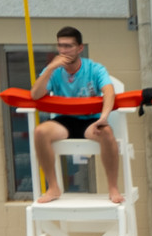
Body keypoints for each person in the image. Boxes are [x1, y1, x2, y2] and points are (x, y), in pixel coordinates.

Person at [25, 27, 125, 203]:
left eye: (68, 46)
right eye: (60, 46)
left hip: (90, 120)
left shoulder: (94, 68)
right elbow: (35, 95)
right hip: (64, 121)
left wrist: (103, 118)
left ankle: (113, 188)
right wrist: (50, 68)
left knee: (107, 132)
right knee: (40, 132)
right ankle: (54, 187)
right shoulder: (54, 70)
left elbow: (109, 92)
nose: (63, 50)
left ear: (79, 48)